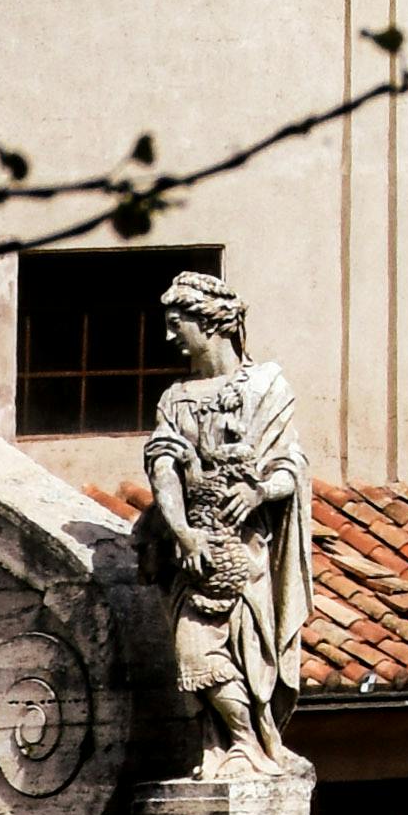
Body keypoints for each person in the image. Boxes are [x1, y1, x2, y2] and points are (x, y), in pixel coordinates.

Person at [138, 277, 312, 760]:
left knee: (250, 650)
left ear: (209, 323)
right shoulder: (175, 399)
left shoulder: (266, 384)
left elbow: (290, 465)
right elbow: (163, 468)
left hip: (250, 553)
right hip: (195, 555)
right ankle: (233, 742)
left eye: (177, 325)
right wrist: (184, 534)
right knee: (195, 652)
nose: (170, 337)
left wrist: (258, 492)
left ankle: (251, 744)